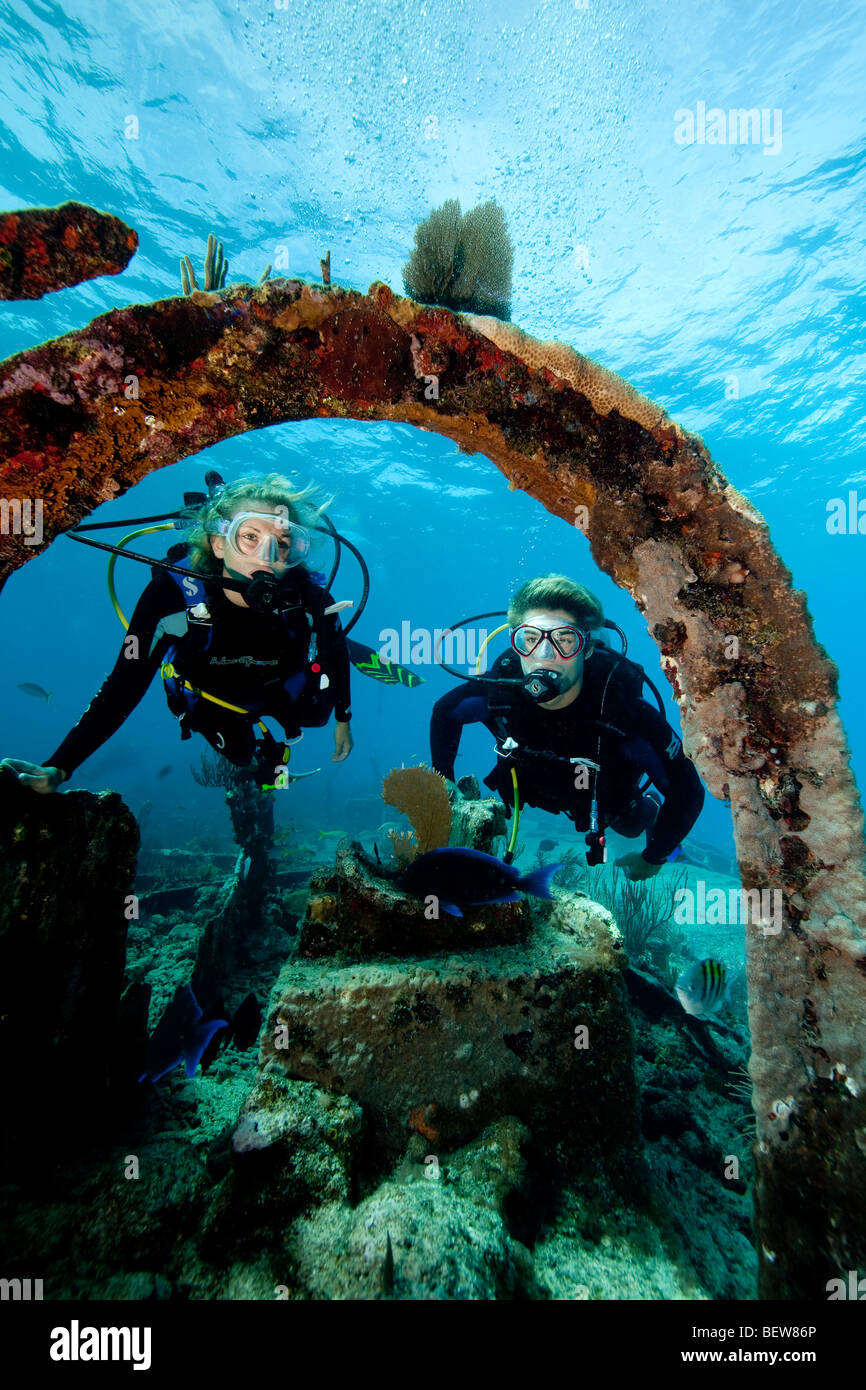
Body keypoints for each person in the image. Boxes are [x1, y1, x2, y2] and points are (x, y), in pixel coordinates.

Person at [1, 473, 354, 794]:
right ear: (219, 544)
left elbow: (334, 654)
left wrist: (343, 719)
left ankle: (326, 639)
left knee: (317, 714)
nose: (266, 555)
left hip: (276, 687)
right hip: (211, 696)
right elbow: (122, 689)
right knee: (241, 754)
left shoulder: (310, 598)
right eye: (249, 537)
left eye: (281, 542)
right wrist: (60, 767)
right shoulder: (171, 596)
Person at [430, 574, 704, 880]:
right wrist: (445, 792)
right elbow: (444, 712)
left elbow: (688, 790)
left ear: (586, 648)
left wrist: (652, 858)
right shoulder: (500, 693)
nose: (543, 656)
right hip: (531, 788)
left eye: (564, 640)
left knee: (629, 825)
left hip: (605, 801)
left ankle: (648, 810)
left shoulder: (622, 714)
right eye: (530, 639)